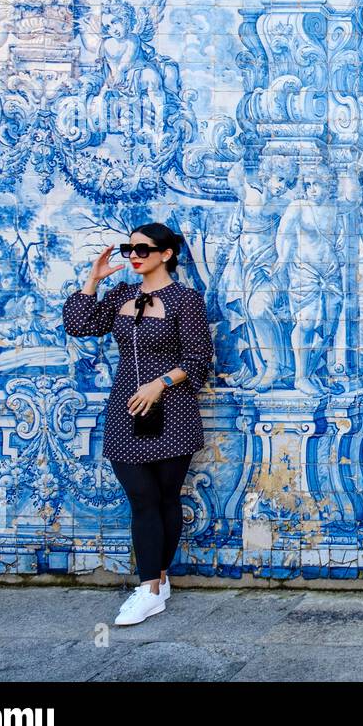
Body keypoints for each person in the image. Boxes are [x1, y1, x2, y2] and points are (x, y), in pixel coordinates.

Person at [62, 223, 214, 626]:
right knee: (142, 497)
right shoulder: (122, 295)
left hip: (172, 410)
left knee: (165, 499)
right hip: (127, 410)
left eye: (143, 250)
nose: (134, 255)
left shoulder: (186, 301)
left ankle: (157, 582)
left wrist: (159, 384)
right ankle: (149, 587)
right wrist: (92, 280)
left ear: (165, 254)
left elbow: (198, 359)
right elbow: (80, 324)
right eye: (130, 249)